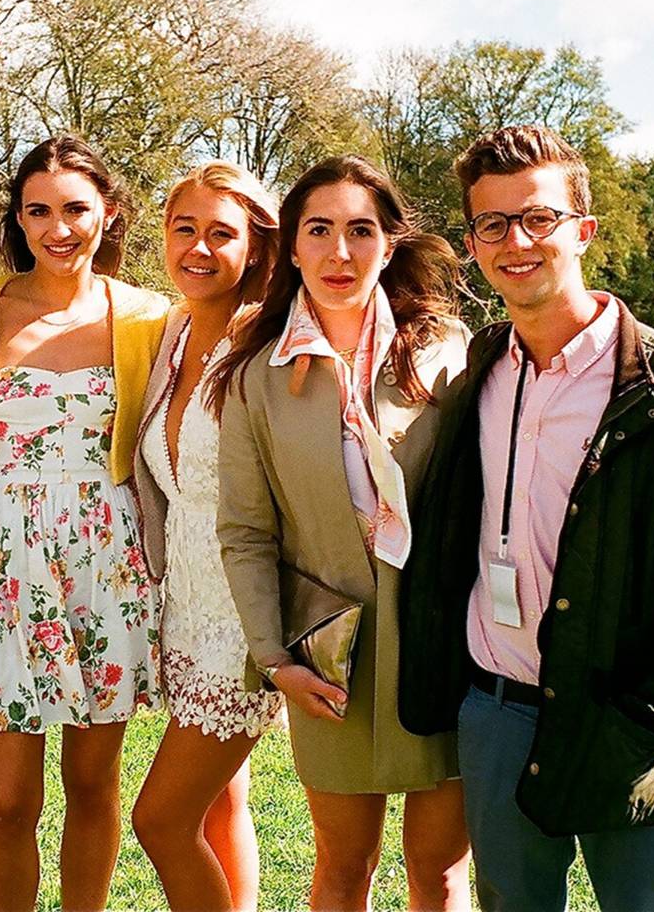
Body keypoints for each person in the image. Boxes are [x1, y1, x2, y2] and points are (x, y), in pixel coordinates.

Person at [398, 124, 654, 912]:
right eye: (493, 224)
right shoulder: (480, 367)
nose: (517, 241)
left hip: (626, 727)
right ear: (473, 242)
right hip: (497, 715)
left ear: (582, 230)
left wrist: (649, 716)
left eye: (538, 218)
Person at [214, 155, 473, 912]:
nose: (339, 252)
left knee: (440, 872)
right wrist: (274, 659)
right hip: (332, 658)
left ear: (389, 243)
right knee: (341, 869)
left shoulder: (447, 350)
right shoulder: (258, 376)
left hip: (443, 648)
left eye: (361, 230)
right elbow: (246, 532)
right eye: (318, 230)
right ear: (290, 246)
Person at [0, 135, 169, 912]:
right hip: (2, 560)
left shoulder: (148, 316)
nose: (58, 227)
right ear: (17, 218)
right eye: (38, 210)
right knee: (7, 799)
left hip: (107, 561)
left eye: (75, 208)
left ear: (108, 213)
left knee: (92, 782)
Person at [130, 162, 285, 912]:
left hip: (249, 622)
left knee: (158, 820)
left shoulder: (276, 341)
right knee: (223, 804)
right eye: (183, 228)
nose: (197, 246)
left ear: (257, 246)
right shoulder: (170, 331)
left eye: (220, 232)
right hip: (184, 611)